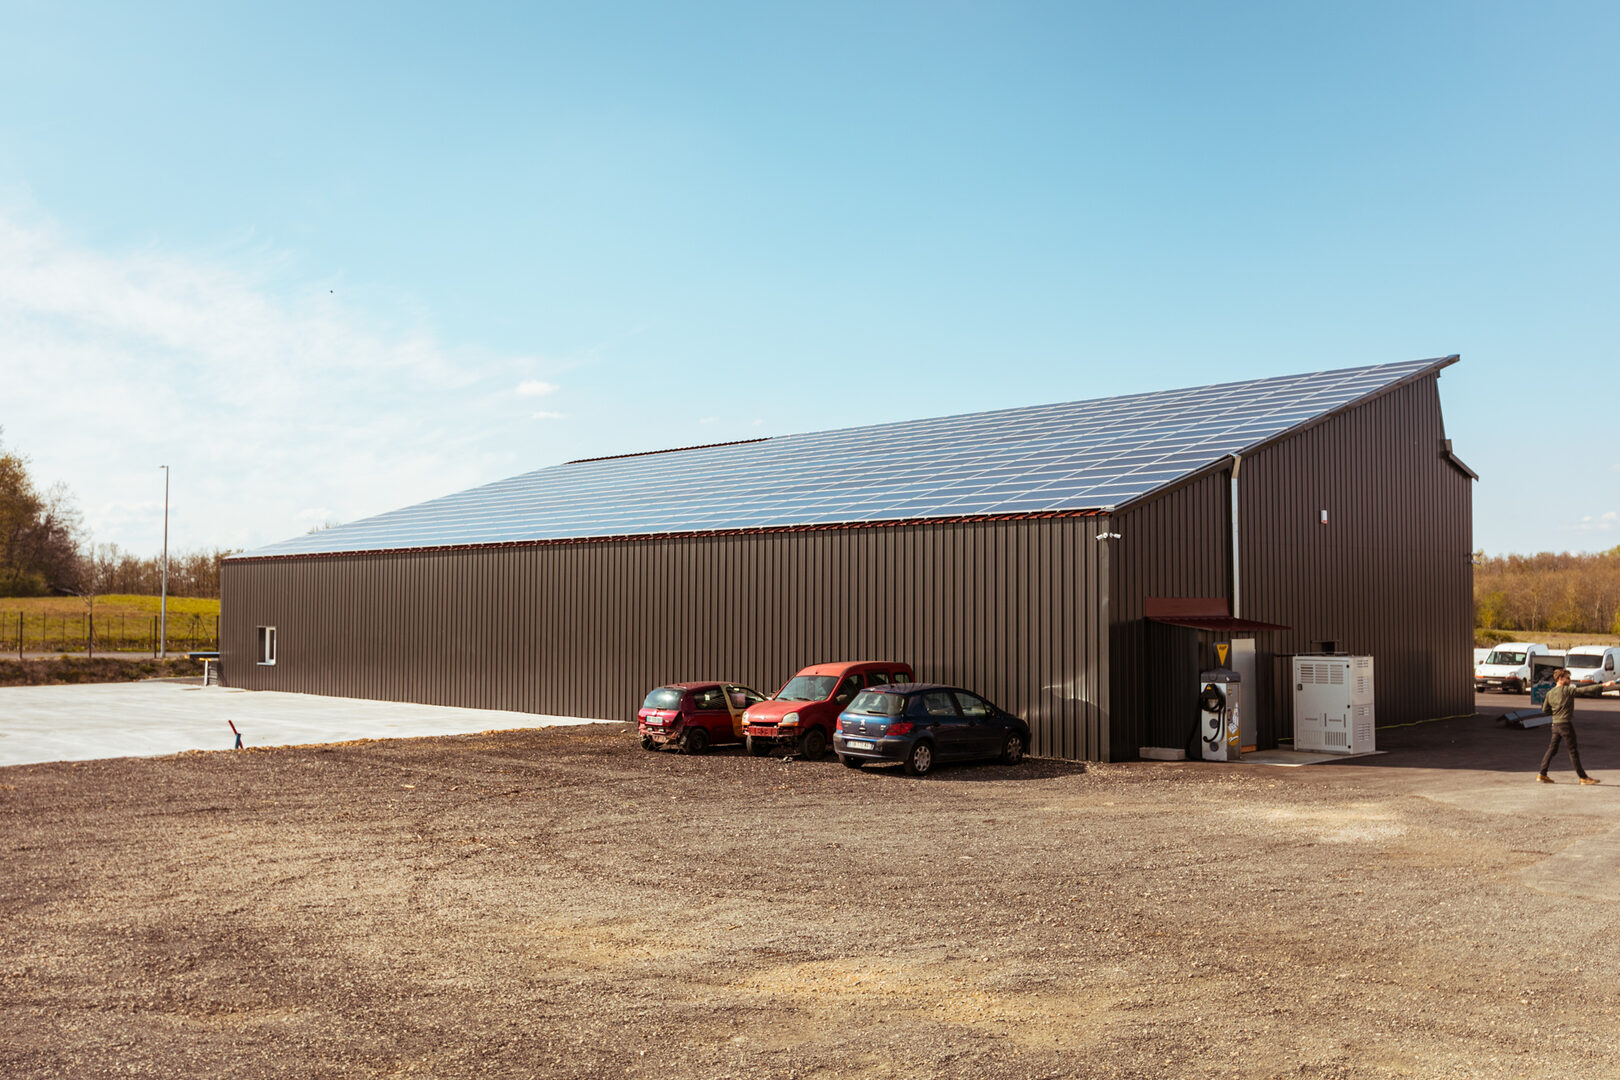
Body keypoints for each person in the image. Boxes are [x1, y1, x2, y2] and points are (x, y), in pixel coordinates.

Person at [1536, 668, 1618, 784]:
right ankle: (1583, 777)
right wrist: (1604, 685)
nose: (1570, 680)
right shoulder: (1567, 690)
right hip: (1565, 725)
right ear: (1560, 679)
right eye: (1567, 678)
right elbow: (1584, 690)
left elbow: (1545, 710)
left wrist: (1556, 714)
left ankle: (1542, 774)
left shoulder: (1550, 693)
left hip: (1555, 725)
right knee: (1573, 751)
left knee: (1552, 749)